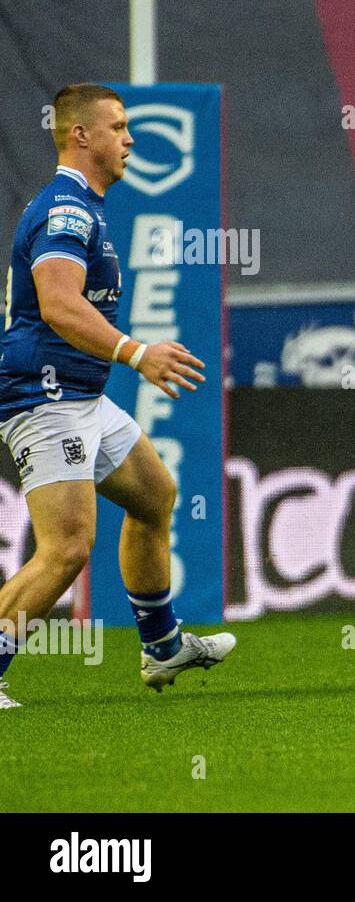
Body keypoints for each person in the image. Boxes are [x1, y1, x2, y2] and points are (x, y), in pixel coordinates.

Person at [0, 84, 234, 709]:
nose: (131, 139)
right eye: (119, 126)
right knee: (69, 547)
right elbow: (57, 304)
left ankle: (162, 647)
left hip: (79, 393)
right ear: (81, 136)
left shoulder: (88, 207)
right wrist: (137, 353)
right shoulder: (68, 210)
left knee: (154, 495)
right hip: (43, 395)